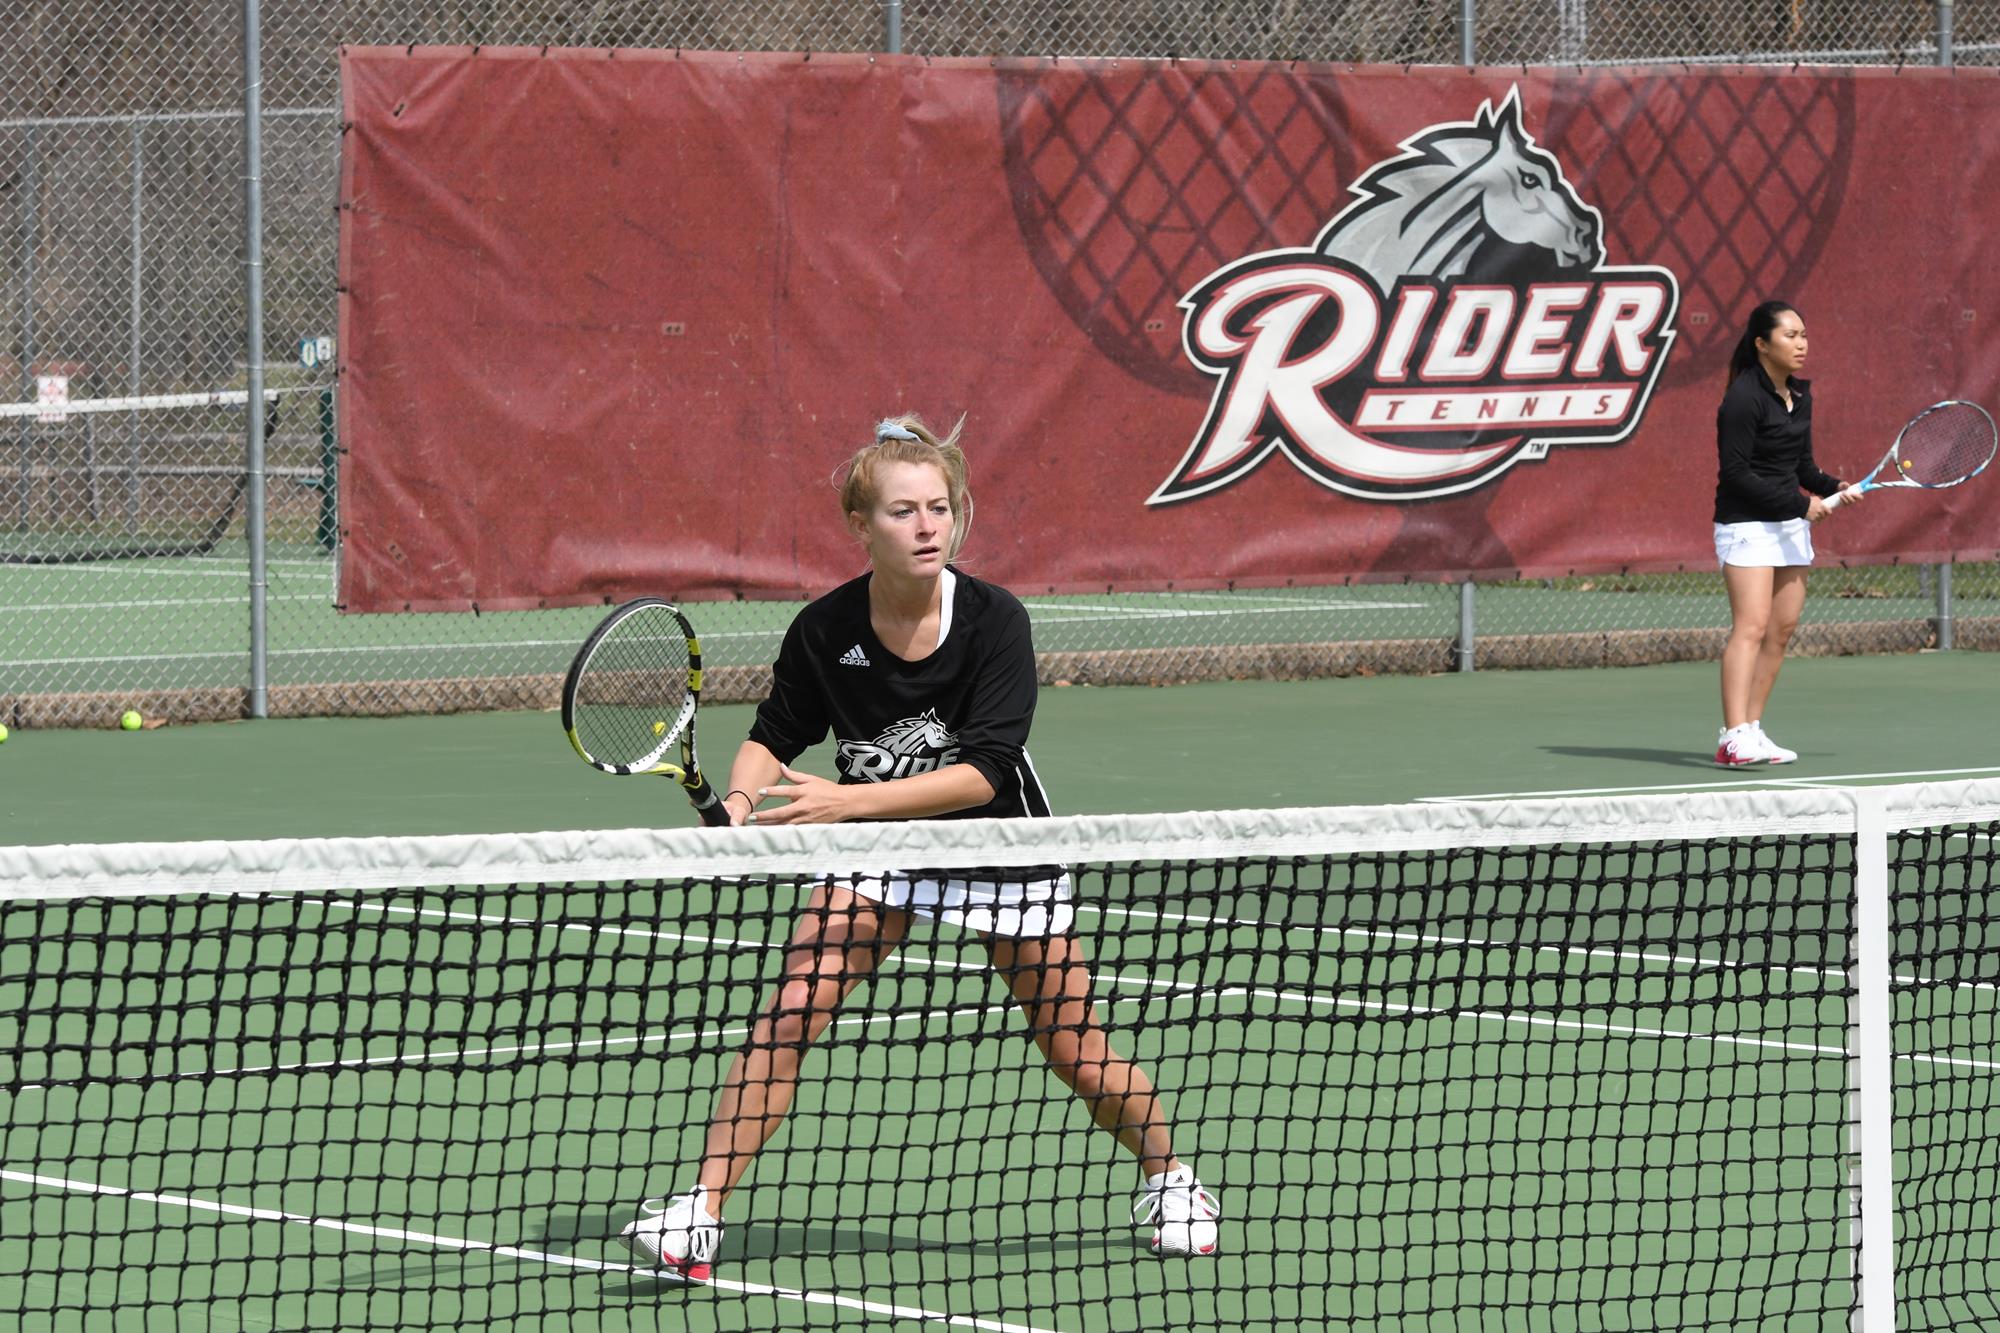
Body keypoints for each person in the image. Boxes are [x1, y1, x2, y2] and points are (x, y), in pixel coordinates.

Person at [621, 414, 1220, 1280]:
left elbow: (984, 772)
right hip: (877, 850)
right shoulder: (825, 630)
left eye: (940, 507)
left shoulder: (993, 623)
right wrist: (742, 803)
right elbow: (775, 732)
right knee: (792, 1011)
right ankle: (700, 1212)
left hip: (997, 846)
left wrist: (847, 803)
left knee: (1073, 1046)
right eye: (904, 511)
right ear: (861, 525)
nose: (928, 525)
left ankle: (1170, 1177)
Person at [1711, 300, 1859, 767]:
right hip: (1746, 524)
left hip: (1789, 526)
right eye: (1790, 336)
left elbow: (1798, 465)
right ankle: (1731, 736)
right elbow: (1735, 473)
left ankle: (1752, 731)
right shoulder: (1742, 398)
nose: (1801, 344)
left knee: (1781, 629)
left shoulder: (1800, 396)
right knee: (1751, 626)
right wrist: (1801, 504)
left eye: (1804, 335)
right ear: (1762, 344)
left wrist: (1831, 486)